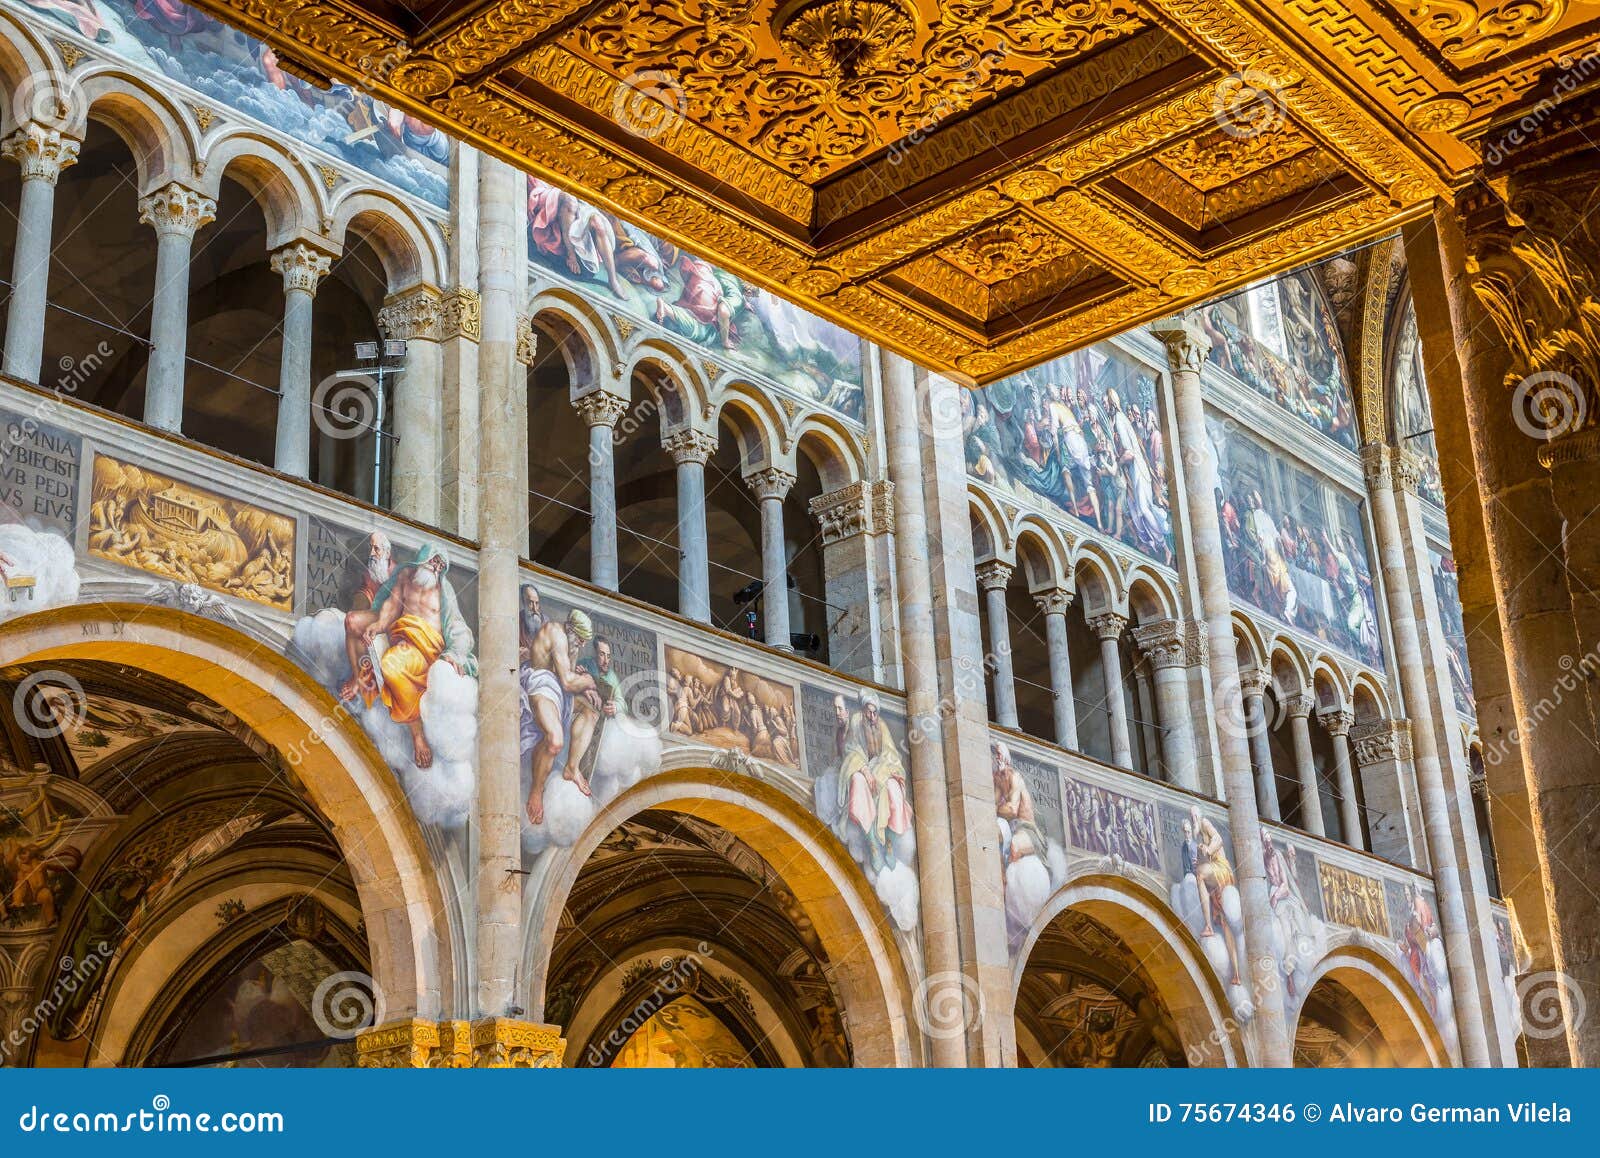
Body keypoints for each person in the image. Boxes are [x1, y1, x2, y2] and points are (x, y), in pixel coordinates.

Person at [338, 545, 473, 768]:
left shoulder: (443, 589)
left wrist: (455, 654)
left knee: (391, 665)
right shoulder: (405, 575)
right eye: (434, 560)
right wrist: (379, 625)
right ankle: (360, 679)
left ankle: (417, 733)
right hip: (401, 636)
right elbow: (392, 606)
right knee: (352, 621)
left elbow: (457, 627)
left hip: (426, 649)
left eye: (441, 565)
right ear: (423, 557)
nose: (436, 567)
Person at [522, 611, 602, 826]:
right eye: (581, 639)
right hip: (541, 686)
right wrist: (588, 681)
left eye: (585, 641)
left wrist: (586, 688)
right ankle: (536, 791)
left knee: (591, 712)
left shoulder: (571, 642)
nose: (582, 645)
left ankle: (571, 768)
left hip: (558, 692)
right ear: (571, 629)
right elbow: (567, 681)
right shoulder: (557, 634)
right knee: (555, 740)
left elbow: (568, 678)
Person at [834, 692, 908, 872]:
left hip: (881, 769)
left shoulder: (881, 725)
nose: (872, 717)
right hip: (861, 767)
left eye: (875, 713)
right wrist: (865, 770)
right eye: (869, 712)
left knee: (894, 789)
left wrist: (885, 771)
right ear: (863, 710)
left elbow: (890, 754)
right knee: (858, 781)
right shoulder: (856, 722)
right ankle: (873, 842)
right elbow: (851, 750)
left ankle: (889, 844)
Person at [1188, 804, 1241, 986]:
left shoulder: (1205, 823)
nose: (1194, 819)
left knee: (1200, 874)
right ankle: (1236, 975)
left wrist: (1208, 850)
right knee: (1225, 925)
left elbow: (1218, 838)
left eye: (1195, 815)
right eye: (1192, 817)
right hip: (1215, 881)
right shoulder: (1197, 835)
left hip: (1222, 870)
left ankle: (1208, 925)